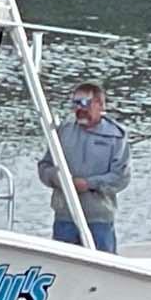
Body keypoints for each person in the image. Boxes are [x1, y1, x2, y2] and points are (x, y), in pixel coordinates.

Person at [37, 81, 130, 252]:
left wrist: (88, 184)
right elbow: (44, 167)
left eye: (85, 103)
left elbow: (120, 178)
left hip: (99, 219)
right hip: (65, 216)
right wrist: (59, 179)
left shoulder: (116, 137)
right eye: (76, 103)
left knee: (103, 267)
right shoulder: (63, 131)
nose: (80, 108)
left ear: (100, 105)